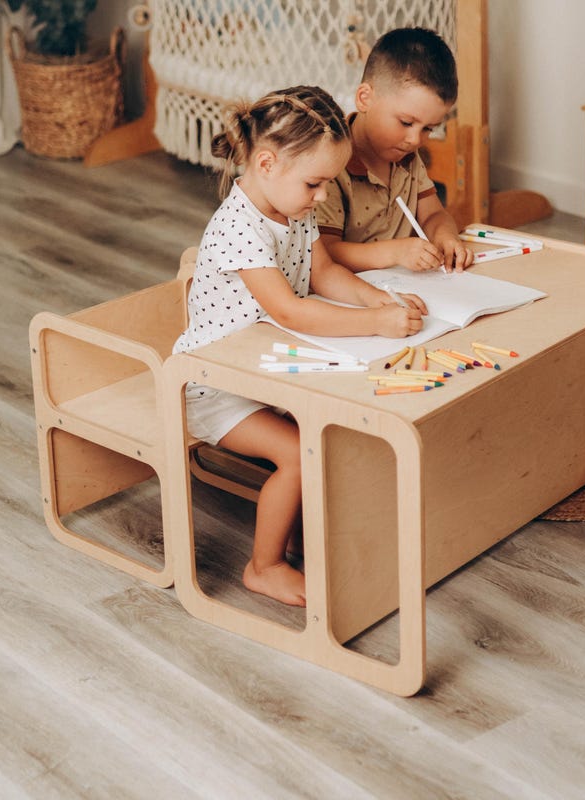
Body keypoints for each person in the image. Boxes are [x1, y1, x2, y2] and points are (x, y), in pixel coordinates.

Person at [173, 85, 427, 608]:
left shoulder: (295, 208)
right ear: (266, 163)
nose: (321, 196)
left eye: (327, 184)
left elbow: (327, 271)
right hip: (215, 385)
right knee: (298, 452)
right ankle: (263, 566)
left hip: (267, 367)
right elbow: (290, 308)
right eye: (315, 183)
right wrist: (375, 323)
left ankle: (303, 526)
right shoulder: (237, 227)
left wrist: (380, 299)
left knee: (337, 427)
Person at [317, 27, 474, 274]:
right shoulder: (331, 162)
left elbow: (433, 214)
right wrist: (395, 252)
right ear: (365, 98)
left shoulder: (408, 158)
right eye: (406, 122)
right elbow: (327, 250)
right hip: (346, 295)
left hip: (404, 286)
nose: (415, 140)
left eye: (428, 129)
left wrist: (446, 238)